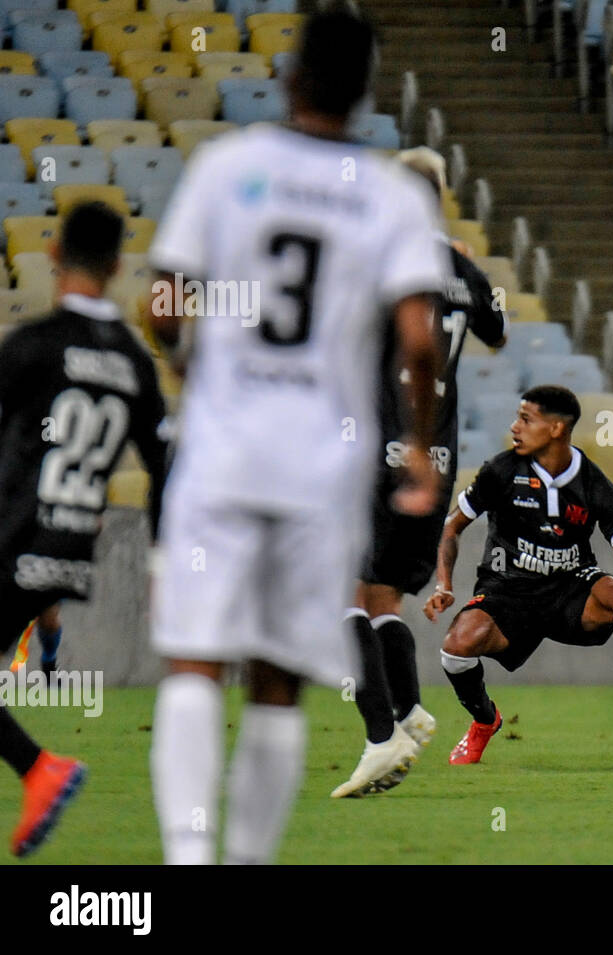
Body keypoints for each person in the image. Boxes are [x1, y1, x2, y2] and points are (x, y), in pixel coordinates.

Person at [147, 6, 448, 863]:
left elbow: (164, 301)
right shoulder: (389, 195)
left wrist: (192, 364)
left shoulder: (226, 165)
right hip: (322, 467)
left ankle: (187, 854)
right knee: (278, 681)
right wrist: (422, 443)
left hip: (221, 454)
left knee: (195, 661)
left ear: (289, 76)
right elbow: (421, 338)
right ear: (364, 95)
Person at [332, 147, 507, 798]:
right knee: (383, 598)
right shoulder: (461, 267)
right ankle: (409, 710)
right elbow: (498, 332)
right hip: (438, 459)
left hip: (383, 451)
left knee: (343, 596)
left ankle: (383, 736)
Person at [0, 201, 170, 856]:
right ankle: (38, 770)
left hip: (14, 538)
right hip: (70, 554)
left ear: (53, 256)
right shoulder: (132, 360)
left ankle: (42, 769)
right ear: (119, 267)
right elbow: (164, 469)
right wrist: (161, 563)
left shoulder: (34, 345)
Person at [424, 385, 613, 769]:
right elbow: (451, 527)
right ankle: (485, 720)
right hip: (508, 592)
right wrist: (444, 584)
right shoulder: (500, 472)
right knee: (456, 646)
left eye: (525, 419)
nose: (514, 427)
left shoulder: (593, 483)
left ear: (556, 429)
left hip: (570, 590)